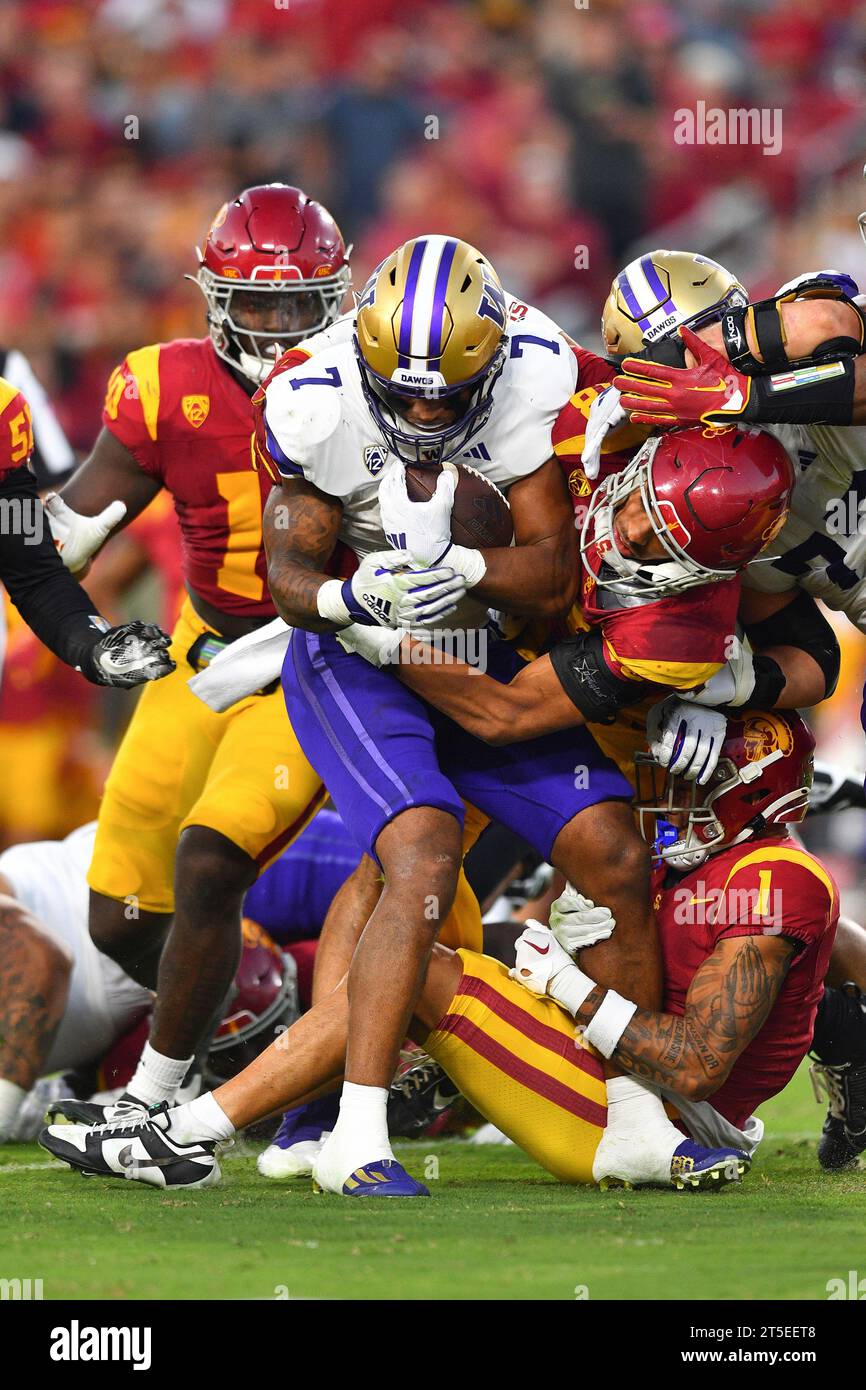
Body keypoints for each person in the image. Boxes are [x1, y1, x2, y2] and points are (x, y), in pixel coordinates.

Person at [256, 233, 708, 1196]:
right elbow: (287, 572)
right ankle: (355, 1131)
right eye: (403, 391)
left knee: (614, 853)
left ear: (490, 367)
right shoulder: (311, 395)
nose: (423, 412)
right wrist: (352, 598)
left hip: (478, 636)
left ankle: (632, 1114)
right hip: (355, 649)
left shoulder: (529, 376)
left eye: (444, 395)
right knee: (417, 852)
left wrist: (462, 568)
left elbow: (549, 579)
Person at [39, 711, 837, 1196]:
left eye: (699, 782)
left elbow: (696, 1063)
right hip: (623, 1079)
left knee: (412, 970)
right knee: (399, 909)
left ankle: (181, 1132)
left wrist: (567, 985)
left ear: (753, 792)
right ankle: (291, 1127)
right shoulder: (692, 862)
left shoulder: (774, 884)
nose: (672, 791)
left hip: (669, 1113)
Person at [45, 186, 358, 1125]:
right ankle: (261, 1017)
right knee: (118, 919)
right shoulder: (163, 387)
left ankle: (158, 1108)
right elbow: (65, 531)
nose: (273, 327)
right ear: (215, 300)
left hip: (315, 653)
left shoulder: (367, 387)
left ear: (335, 303)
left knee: (211, 863)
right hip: (203, 651)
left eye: (296, 305)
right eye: (256, 305)